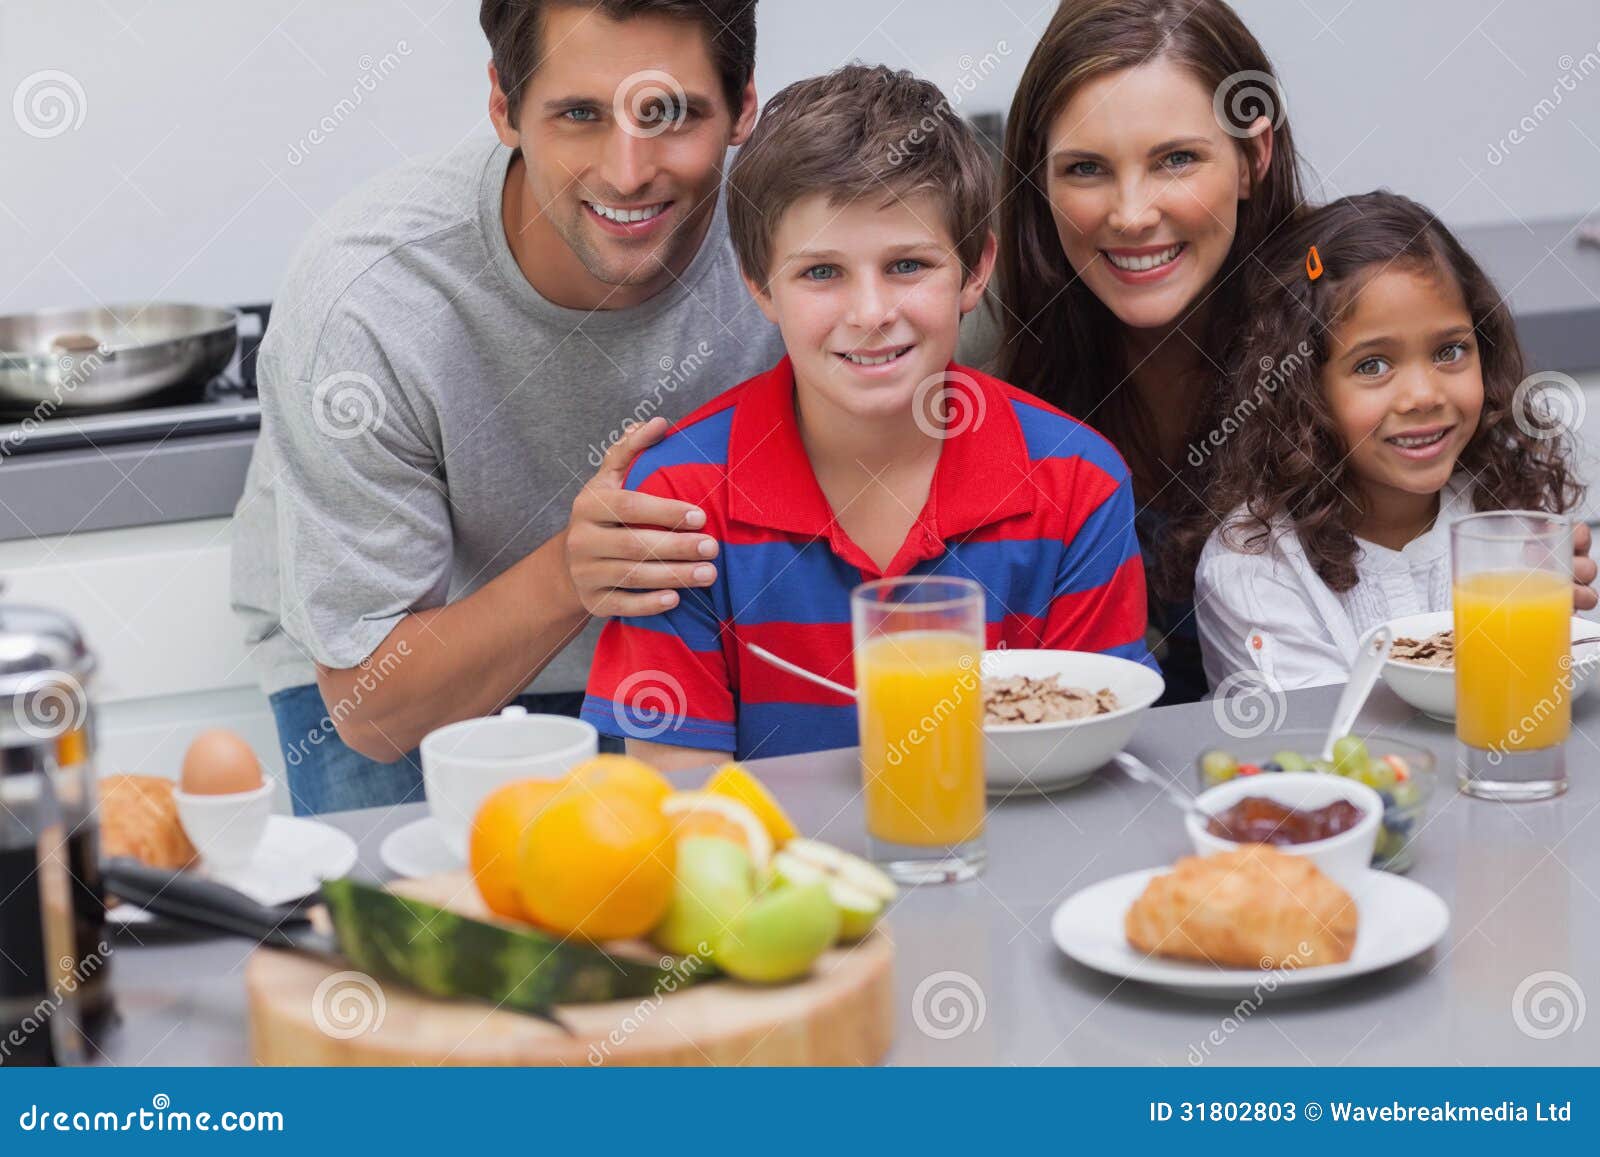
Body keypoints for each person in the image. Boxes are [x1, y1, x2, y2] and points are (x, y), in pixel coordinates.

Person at [230, 0, 785, 813]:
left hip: (687, 640)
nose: (627, 172)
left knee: (704, 913)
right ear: (504, 106)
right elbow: (373, 710)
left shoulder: (809, 243)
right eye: (579, 115)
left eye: (669, 114)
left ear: (743, 111)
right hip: (393, 668)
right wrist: (576, 569)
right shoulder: (370, 300)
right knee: (424, 929)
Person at [579, 65, 1155, 770]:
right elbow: (686, 816)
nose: (871, 313)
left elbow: (1080, 775)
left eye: (908, 265)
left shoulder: (1079, 486)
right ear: (761, 285)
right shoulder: (675, 505)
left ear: (974, 271)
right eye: (821, 272)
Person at [986, 0, 1307, 705]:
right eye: (1086, 169)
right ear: (1039, 181)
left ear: (1255, 157)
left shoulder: (1349, 326)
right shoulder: (976, 354)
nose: (1131, 214)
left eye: (1177, 160)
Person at [1181, 192, 1585, 689]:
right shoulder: (1251, 567)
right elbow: (1334, 744)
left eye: (1450, 350)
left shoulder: (1512, 508)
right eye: (1373, 365)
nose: (1422, 395)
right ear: (1303, 386)